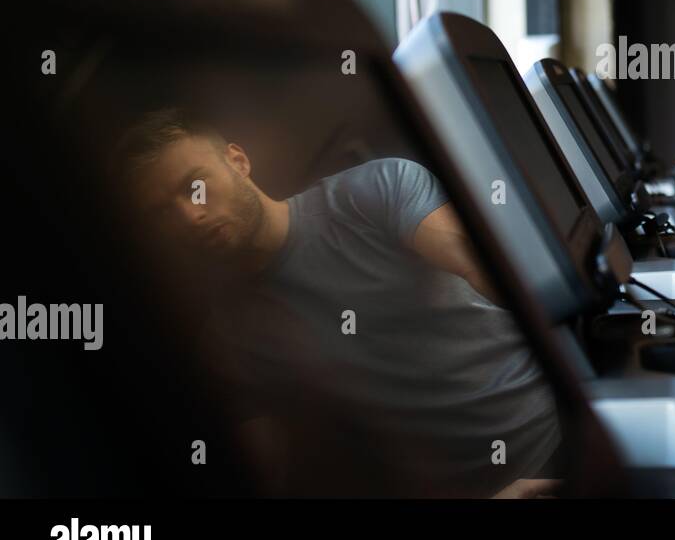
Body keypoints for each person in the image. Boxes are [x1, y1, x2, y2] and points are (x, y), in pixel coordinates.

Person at [117, 107, 563, 497]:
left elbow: (483, 267)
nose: (190, 216)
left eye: (195, 186)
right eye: (161, 213)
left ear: (238, 161)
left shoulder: (375, 189)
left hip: (561, 429)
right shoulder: (229, 341)